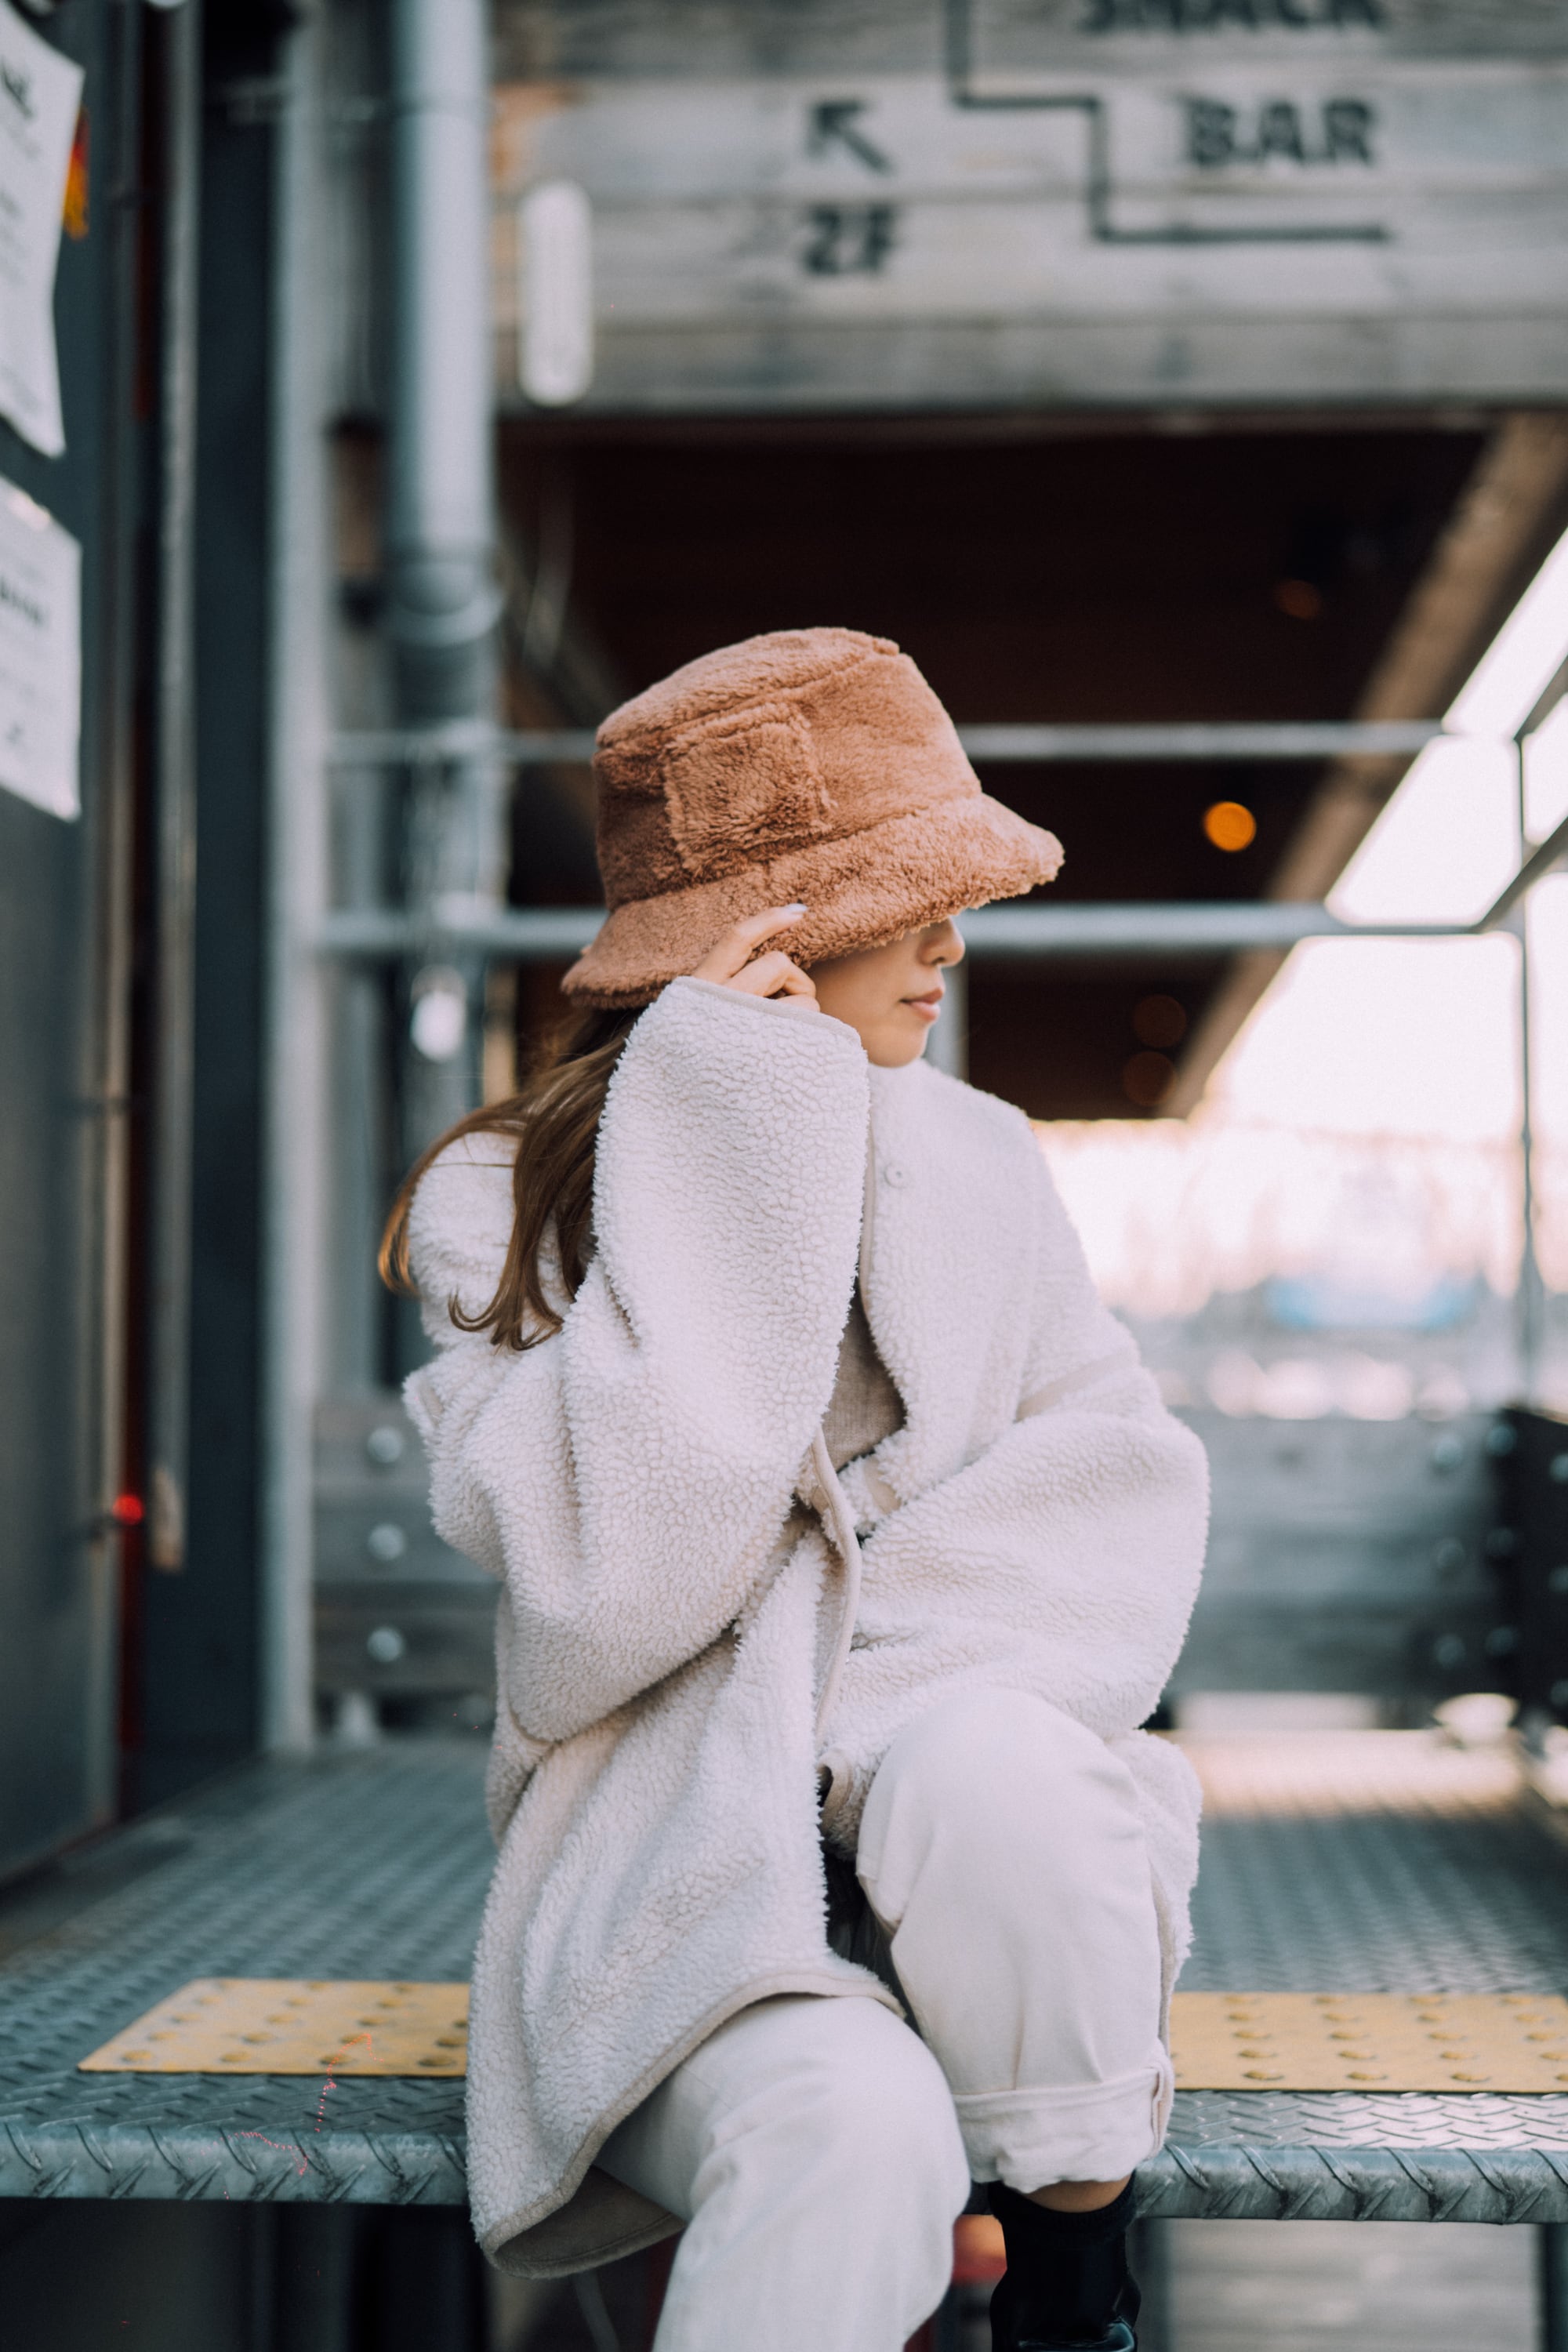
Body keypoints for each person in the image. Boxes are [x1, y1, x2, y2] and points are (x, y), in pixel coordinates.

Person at [382, 628, 1208, 2352]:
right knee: (843, 2134)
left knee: (1002, 1771)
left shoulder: (981, 1159)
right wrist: (734, 1141)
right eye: (898, 899)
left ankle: (1076, 2284)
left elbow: (1113, 1515)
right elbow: (607, 1598)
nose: (949, 943)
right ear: (755, 938)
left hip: (977, 1866)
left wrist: (816, 1711)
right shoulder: (500, 1202)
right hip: (668, 1868)